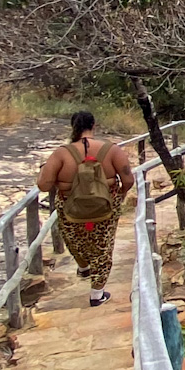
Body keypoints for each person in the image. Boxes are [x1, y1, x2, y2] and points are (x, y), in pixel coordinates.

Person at [37, 111, 135, 307]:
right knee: (103, 246)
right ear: (94, 126)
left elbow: (43, 185)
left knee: (74, 238)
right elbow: (128, 179)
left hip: (70, 206)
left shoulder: (61, 153)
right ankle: (97, 293)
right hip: (105, 206)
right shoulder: (112, 150)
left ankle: (83, 266)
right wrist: (120, 195)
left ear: (73, 127)